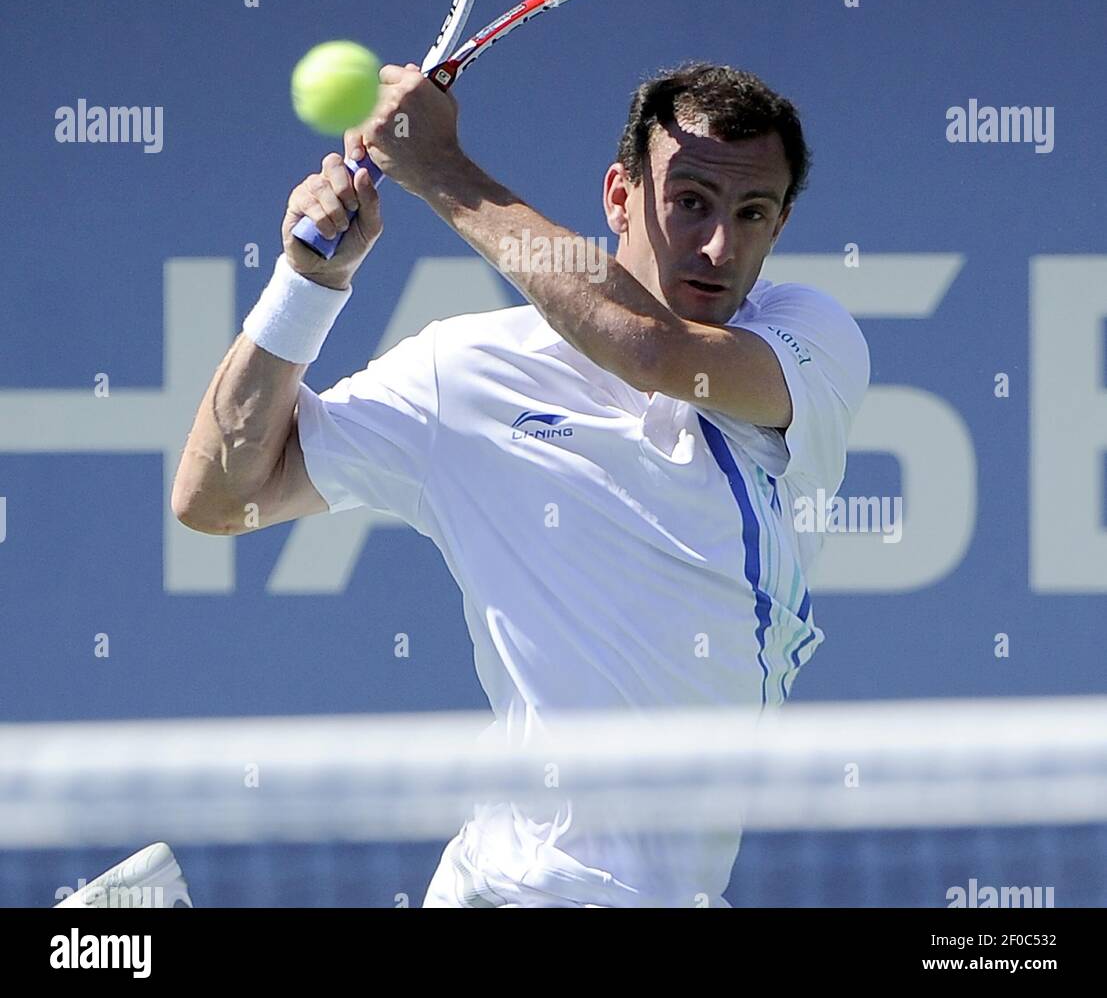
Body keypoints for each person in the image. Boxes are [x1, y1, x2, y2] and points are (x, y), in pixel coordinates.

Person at [172, 60, 870, 907]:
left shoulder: (810, 346)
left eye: (751, 213)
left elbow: (653, 354)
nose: (719, 244)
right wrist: (306, 284)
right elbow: (217, 495)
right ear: (620, 198)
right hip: (497, 884)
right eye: (689, 201)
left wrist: (441, 171)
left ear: (779, 225)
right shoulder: (465, 371)